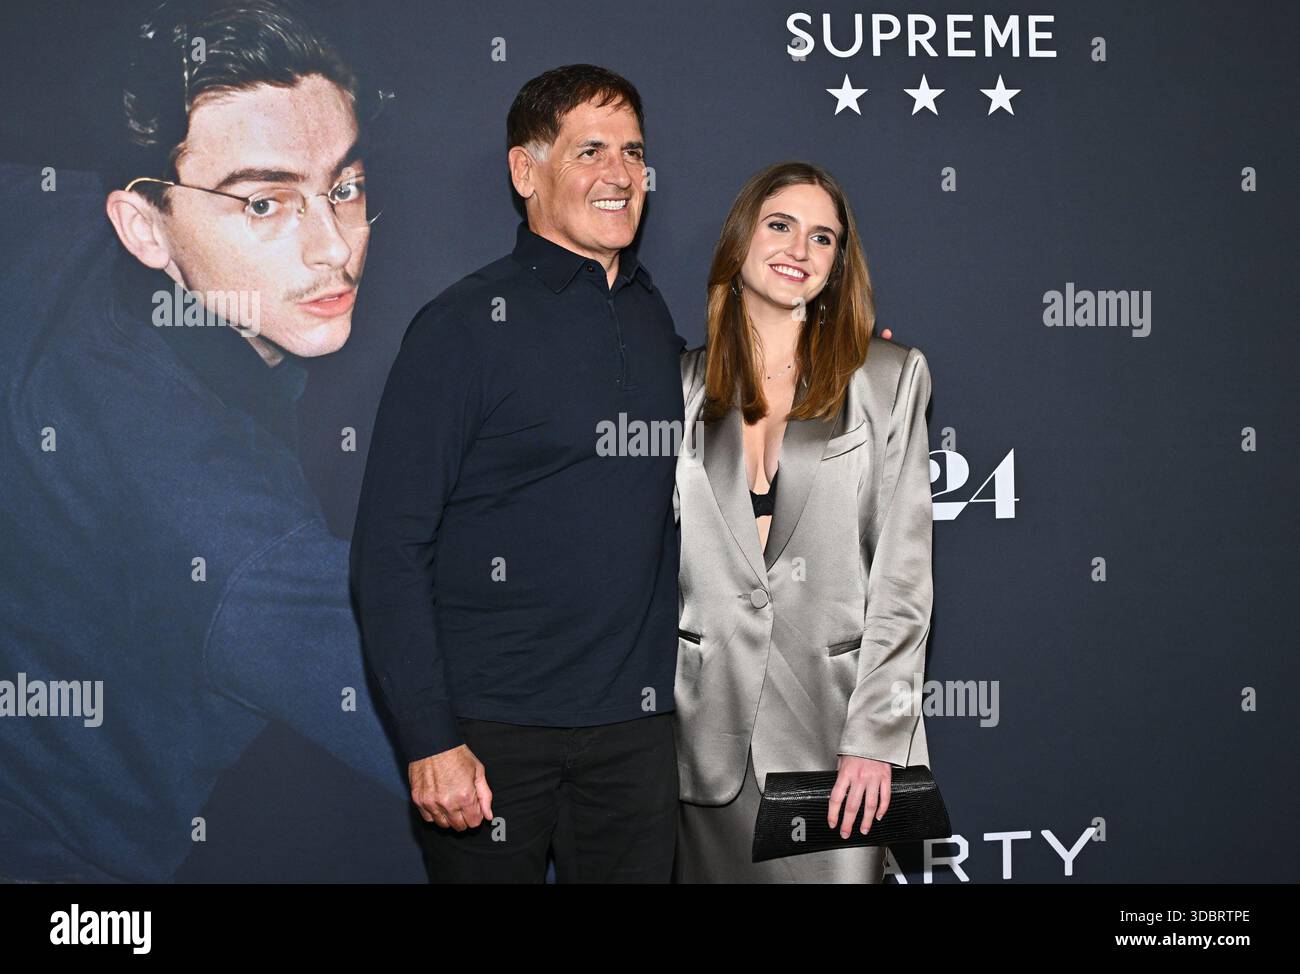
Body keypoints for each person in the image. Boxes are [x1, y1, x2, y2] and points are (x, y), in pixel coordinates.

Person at [0, 0, 408, 883]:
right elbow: (495, 768)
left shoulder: (44, 218)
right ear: (144, 226)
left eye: (343, 186)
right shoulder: (239, 547)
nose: (333, 247)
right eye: (264, 202)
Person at [349, 64, 686, 883]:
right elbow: (389, 549)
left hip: (637, 737)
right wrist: (431, 738)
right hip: (490, 740)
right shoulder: (461, 327)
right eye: (590, 151)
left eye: (634, 152)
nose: (620, 174)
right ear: (524, 171)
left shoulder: (652, 316)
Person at [671, 161, 935, 883]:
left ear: (837, 264)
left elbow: (903, 580)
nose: (800, 249)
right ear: (738, 243)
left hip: (838, 743)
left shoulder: (886, 379)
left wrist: (878, 738)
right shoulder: (683, 387)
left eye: (823, 238)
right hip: (704, 741)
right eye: (780, 225)